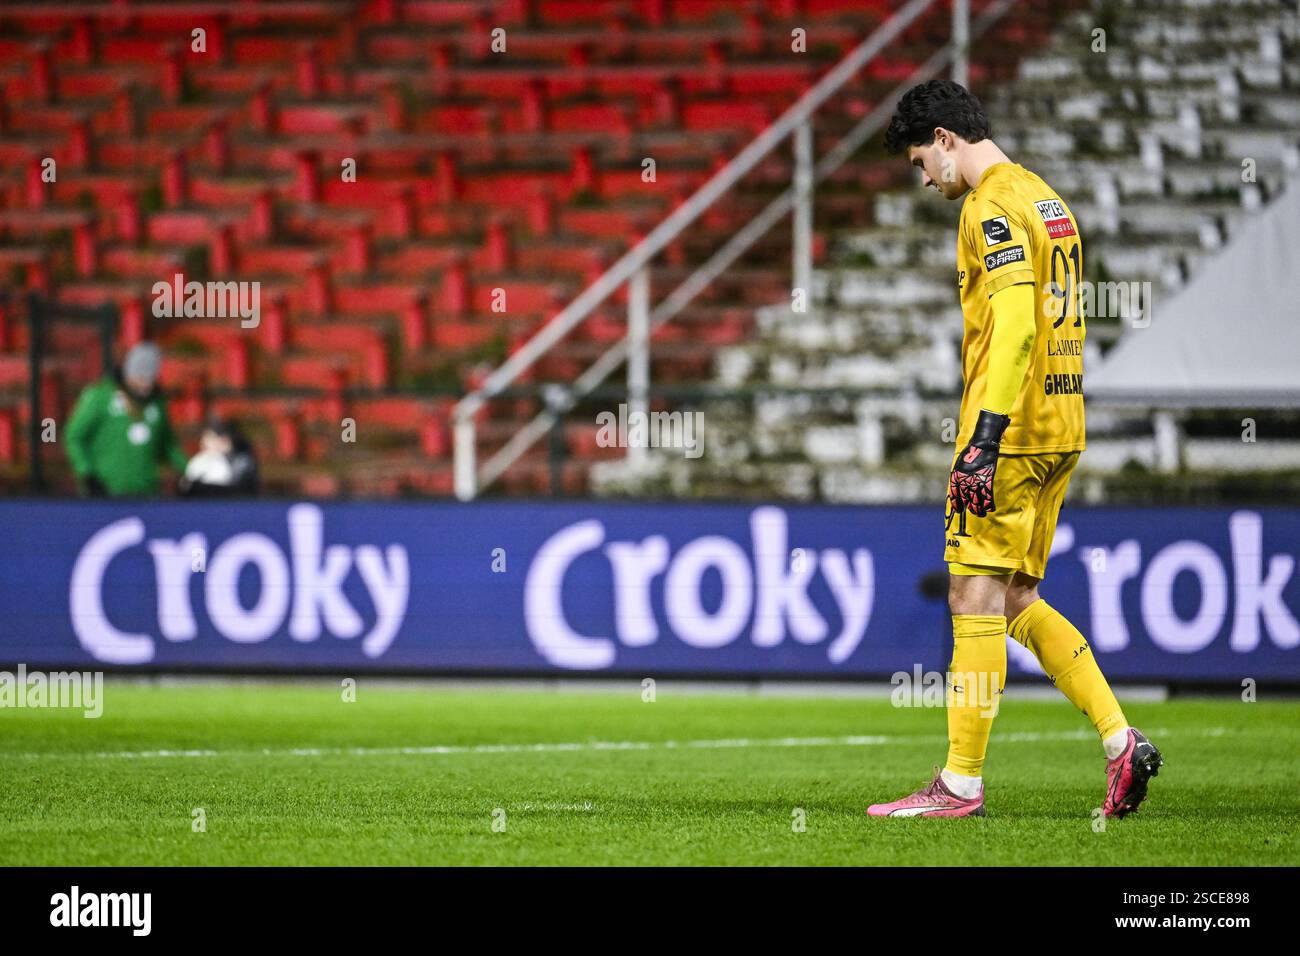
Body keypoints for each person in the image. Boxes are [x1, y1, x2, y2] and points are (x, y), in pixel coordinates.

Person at [867, 80, 1162, 819]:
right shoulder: (1045, 198)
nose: (923, 178)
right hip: (1062, 424)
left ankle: (959, 784)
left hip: (1013, 432)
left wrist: (985, 438)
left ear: (943, 138)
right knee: (1016, 597)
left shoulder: (988, 206)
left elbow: (1017, 323)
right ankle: (1121, 739)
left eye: (917, 161)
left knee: (972, 596)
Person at [65, 341, 188, 497]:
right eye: (140, 377)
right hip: (105, 494)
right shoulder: (100, 396)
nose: (146, 385)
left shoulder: (157, 402)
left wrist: (190, 471)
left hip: (146, 494)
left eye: (150, 378)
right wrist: (87, 473)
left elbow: (168, 445)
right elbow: (74, 437)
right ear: (129, 373)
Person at [179, 417, 259, 496]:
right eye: (203, 439)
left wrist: (197, 486)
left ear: (224, 441)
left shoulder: (242, 460)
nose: (204, 443)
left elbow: (240, 490)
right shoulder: (200, 461)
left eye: (210, 438)